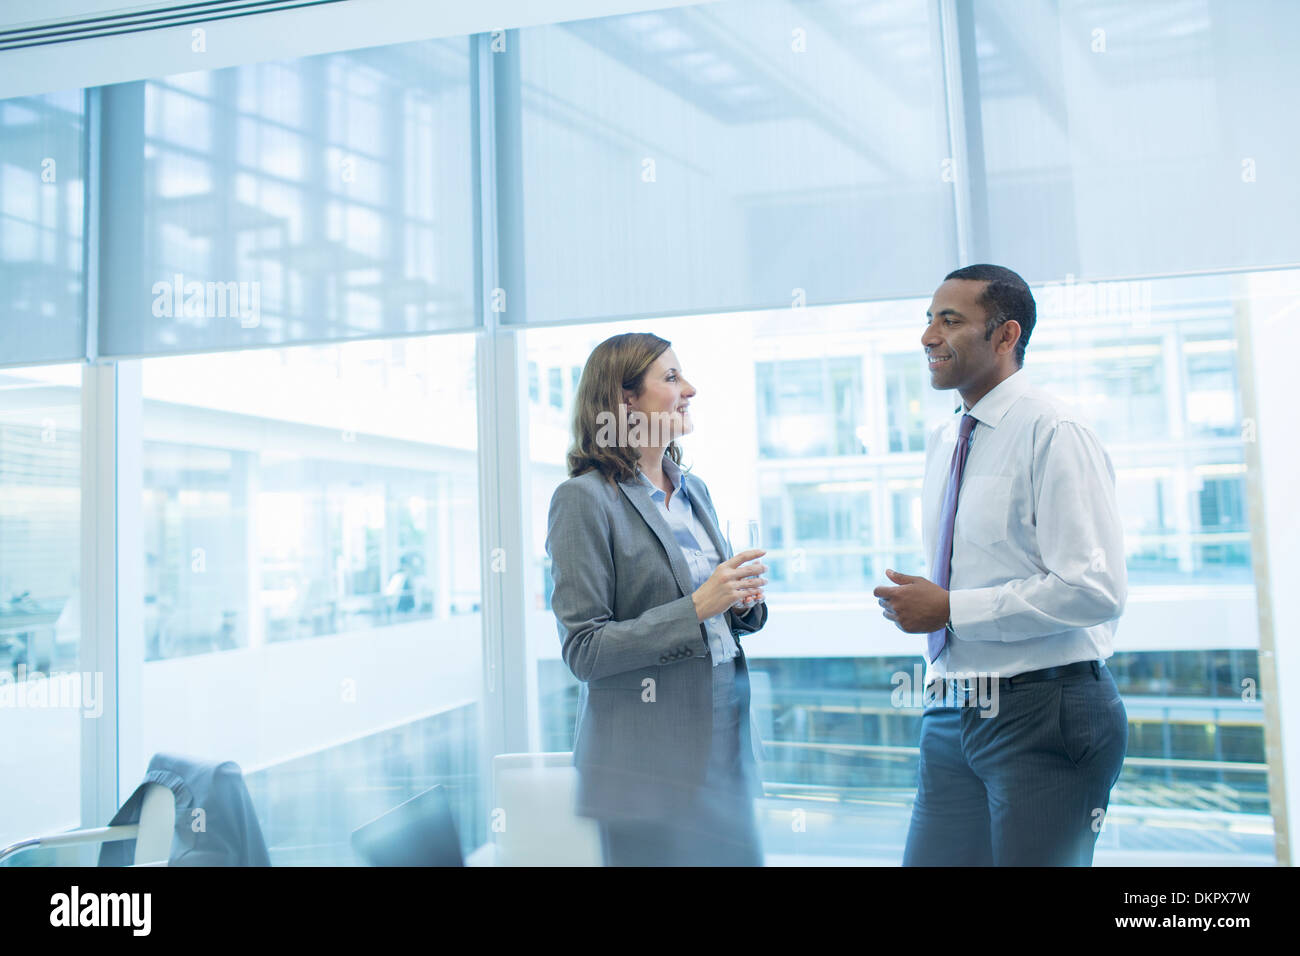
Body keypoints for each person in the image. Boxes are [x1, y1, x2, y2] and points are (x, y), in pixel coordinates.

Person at [873, 264, 1129, 866]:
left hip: (1044, 711)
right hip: (953, 707)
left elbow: (1094, 588)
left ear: (1006, 336)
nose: (928, 336)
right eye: (928, 320)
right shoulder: (947, 440)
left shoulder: (1054, 429)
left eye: (950, 320)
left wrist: (951, 610)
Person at [545, 331, 769, 866]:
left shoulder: (695, 491)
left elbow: (721, 619)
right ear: (625, 400)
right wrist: (697, 607)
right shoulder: (583, 500)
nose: (689, 388)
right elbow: (586, 650)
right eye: (671, 377)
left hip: (726, 744)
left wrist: (739, 602)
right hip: (642, 771)